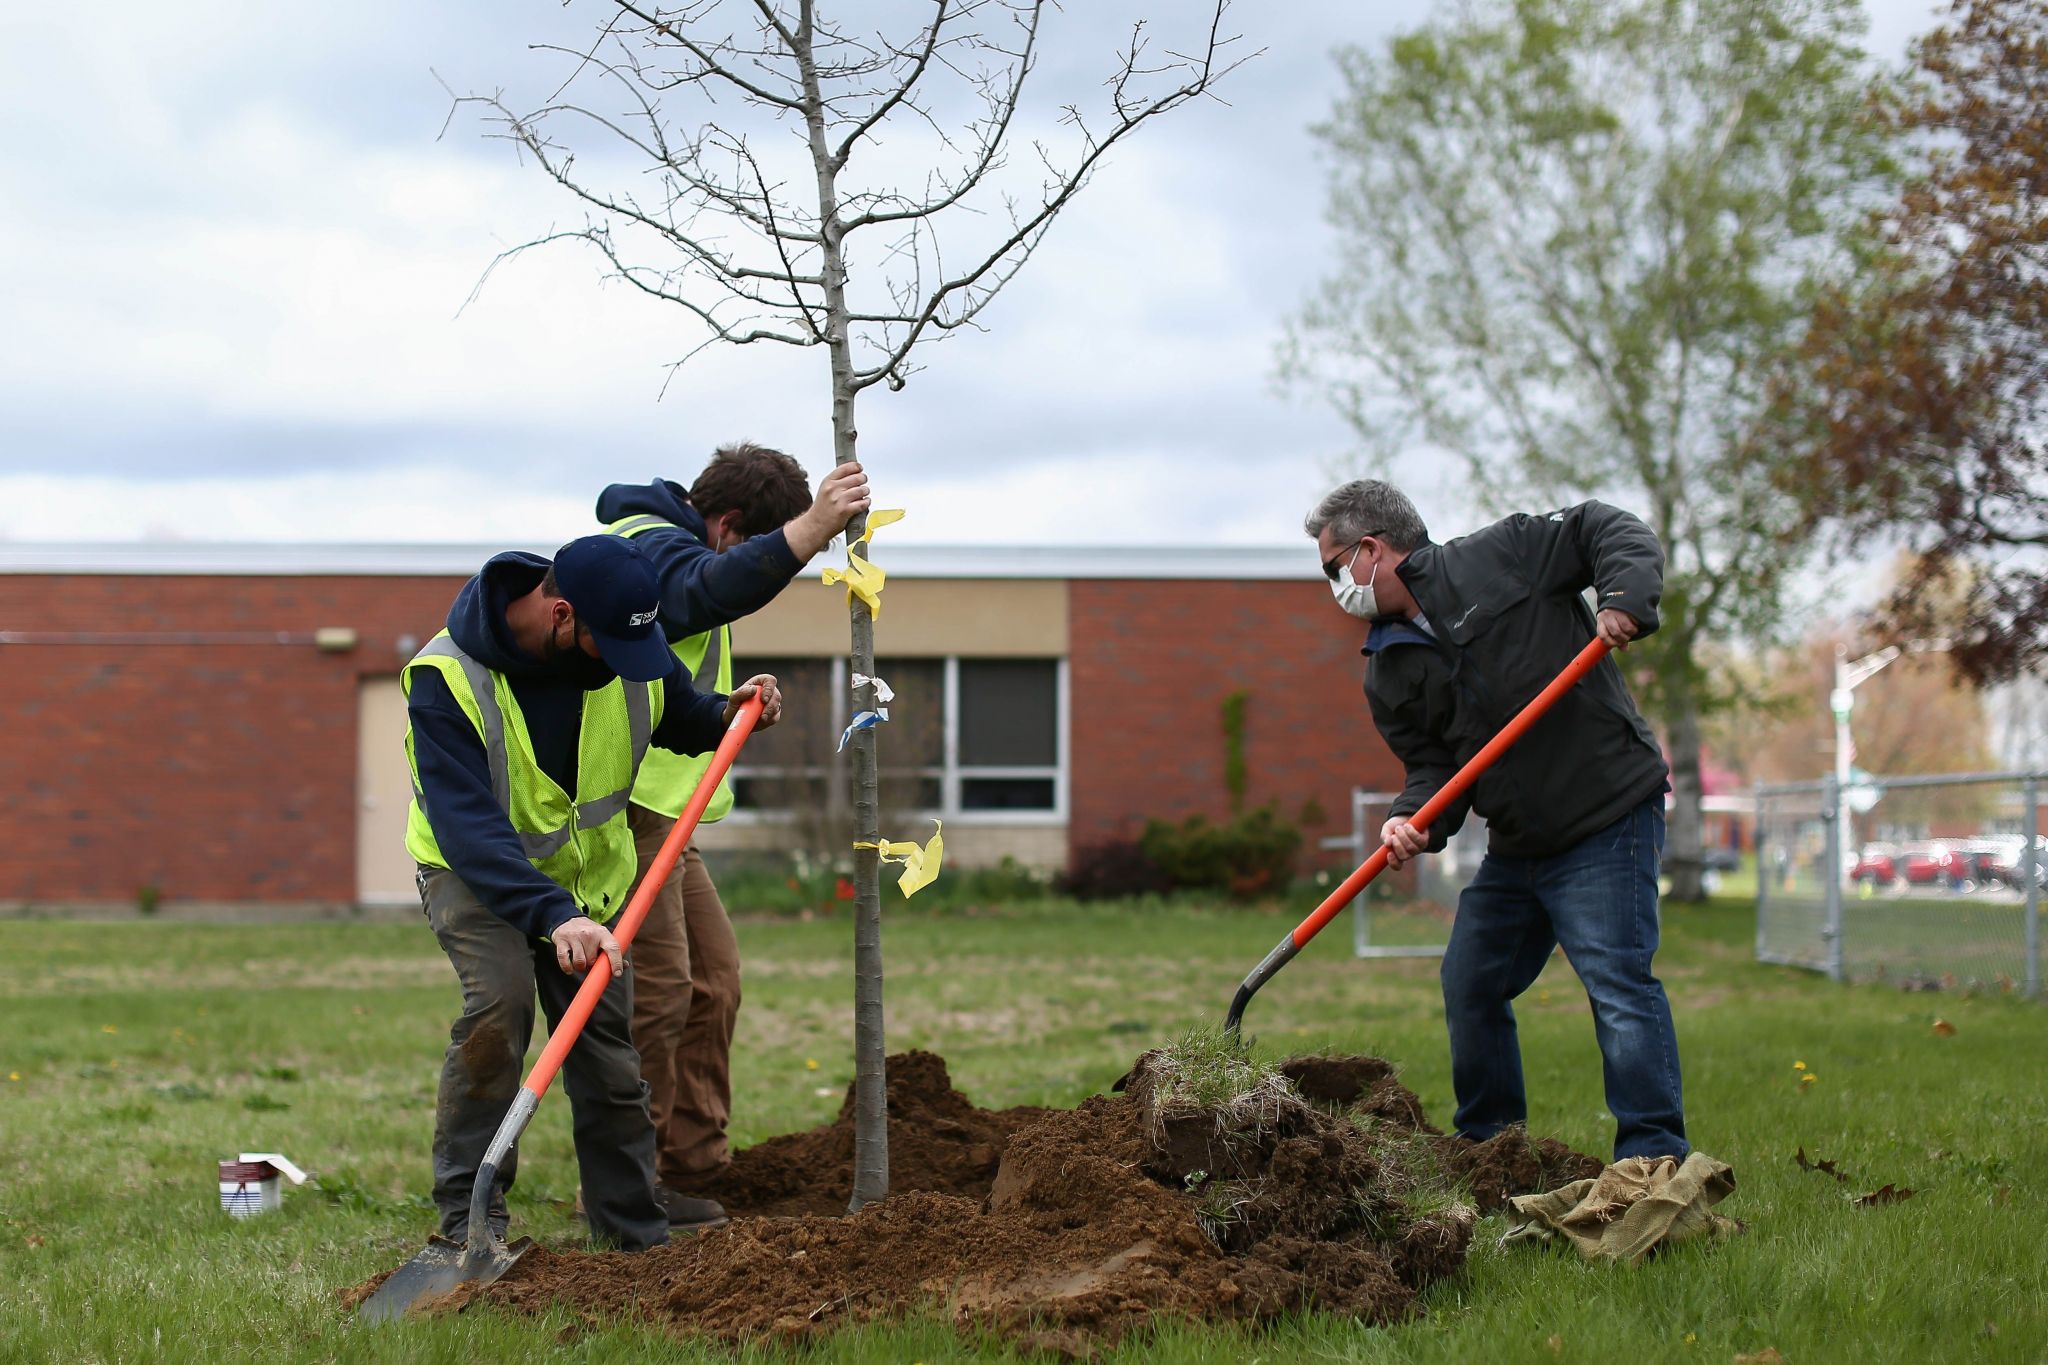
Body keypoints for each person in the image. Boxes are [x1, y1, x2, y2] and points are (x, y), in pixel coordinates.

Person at [403, 534, 782, 1251]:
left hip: (590, 886)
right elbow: (467, 824)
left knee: (609, 1054)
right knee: (500, 1008)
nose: (621, 665)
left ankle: (632, 1231)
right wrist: (552, 916)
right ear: (559, 614)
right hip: (477, 874)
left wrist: (728, 713)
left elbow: (677, 711)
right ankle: (469, 1218)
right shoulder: (445, 678)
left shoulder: (624, 638)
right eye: (603, 645)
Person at [1306, 479, 1685, 1162]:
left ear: (1371, 549)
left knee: (1617, 981)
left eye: (1335, 568)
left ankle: (1653, 1155)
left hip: (1605, 812)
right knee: (1471, 979)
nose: (1336, 586)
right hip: (1520, 842)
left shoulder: (1503, 553)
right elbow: (1433, 770)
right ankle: (1489, 1148)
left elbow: (1608, 527)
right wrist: (1410, 818)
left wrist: (1624, 597)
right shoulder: (1386, 671)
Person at [594, 443, 870, 1226]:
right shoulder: (649, 547)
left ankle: (694, 1163)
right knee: (660, 991)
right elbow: (700, 591)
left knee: (715, 980)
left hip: (670, 818)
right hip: (627, 811)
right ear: (728, 525)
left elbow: (673, 659)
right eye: (755, 547)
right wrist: (814, 527)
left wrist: (725, 699)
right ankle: (625, 1184)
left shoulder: (678, 545)